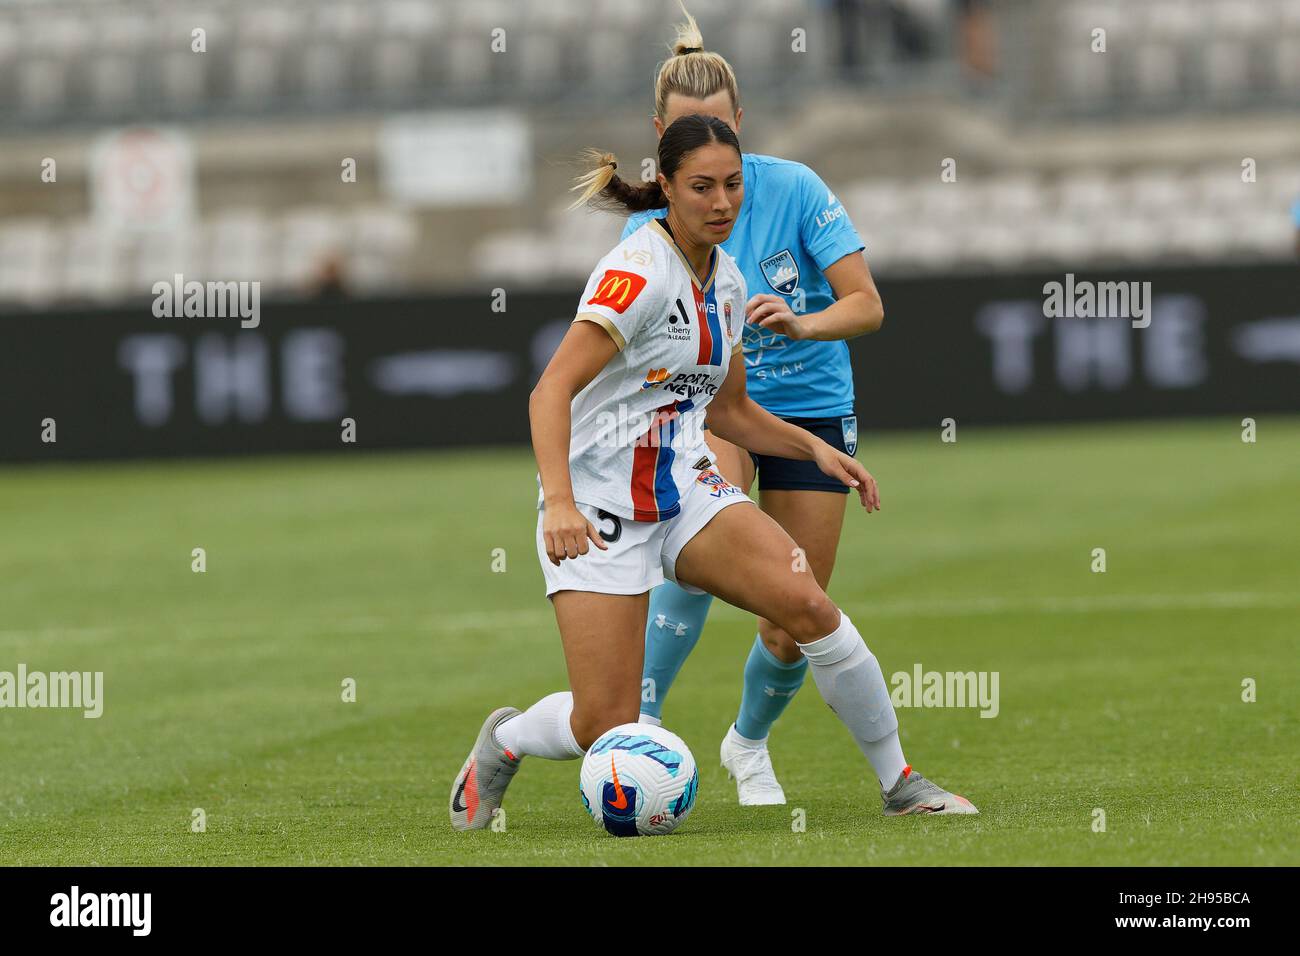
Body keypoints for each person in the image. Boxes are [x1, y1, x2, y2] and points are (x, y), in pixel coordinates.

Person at [449, 113, 976, 831]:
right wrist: (560, 504)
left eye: (731, 185)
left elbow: (730, 412)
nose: (721, 201)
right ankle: (505, 740)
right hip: (602, 506)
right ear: (665, 187)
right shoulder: (636, 272)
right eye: (701, 187)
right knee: (602, 718)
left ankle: (902, 783)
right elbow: (549, 391)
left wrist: (816, 450)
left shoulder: (726, 281)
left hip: (685, 487)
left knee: (810, 608)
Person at [627, 5, 887, 806]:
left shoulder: (795, 187)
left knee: (792, 612)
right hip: (714, 407)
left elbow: (867, 305)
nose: (706, 151)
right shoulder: (650, 219)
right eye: (683, 136)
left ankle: (747, 744)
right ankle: (640, 723)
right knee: (707, 525)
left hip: (810, 405)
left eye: (716, 128)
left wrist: (804, 320)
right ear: (662, 149)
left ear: (740, 122)